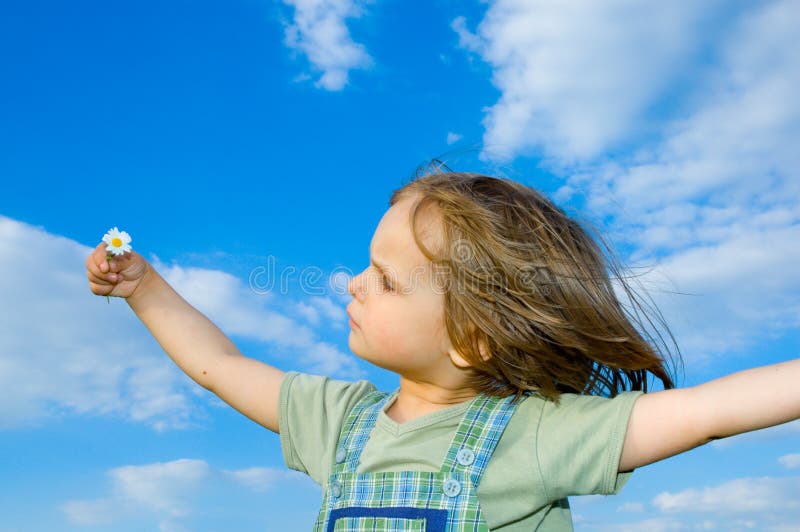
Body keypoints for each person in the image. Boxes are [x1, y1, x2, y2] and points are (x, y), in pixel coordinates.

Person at [85, 170, 800, 531]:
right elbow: (220, 367)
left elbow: (708, 411)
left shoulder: (540, 434)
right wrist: (144, 288)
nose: (352, 283)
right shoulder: (337, 419)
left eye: (387, 281)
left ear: (471, 339)